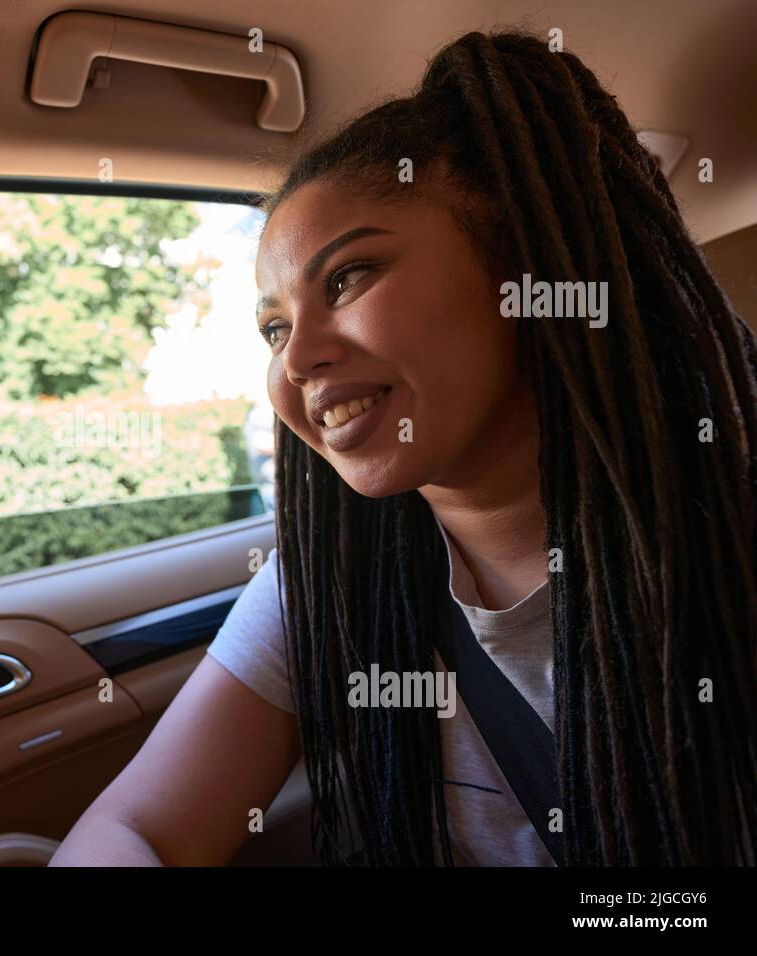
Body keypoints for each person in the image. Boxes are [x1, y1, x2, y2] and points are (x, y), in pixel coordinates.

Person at [50, 30, 756, 866]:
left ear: (522, 269)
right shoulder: (329, 578)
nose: (296, 358)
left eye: (347, 279)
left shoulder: (727, 534)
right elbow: (137, 827)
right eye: (273, 328)